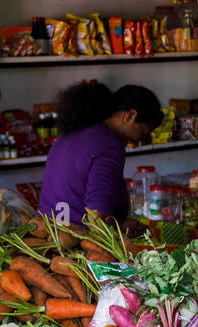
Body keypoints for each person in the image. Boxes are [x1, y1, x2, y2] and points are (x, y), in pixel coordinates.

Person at [38, 81, 162, 223]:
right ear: (130, 116)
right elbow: (97, 215)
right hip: (76, 235)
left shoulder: (74, 132)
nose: (139, 141)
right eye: (142, 133)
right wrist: (119, 231)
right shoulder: (109, 145)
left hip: (47, 228)